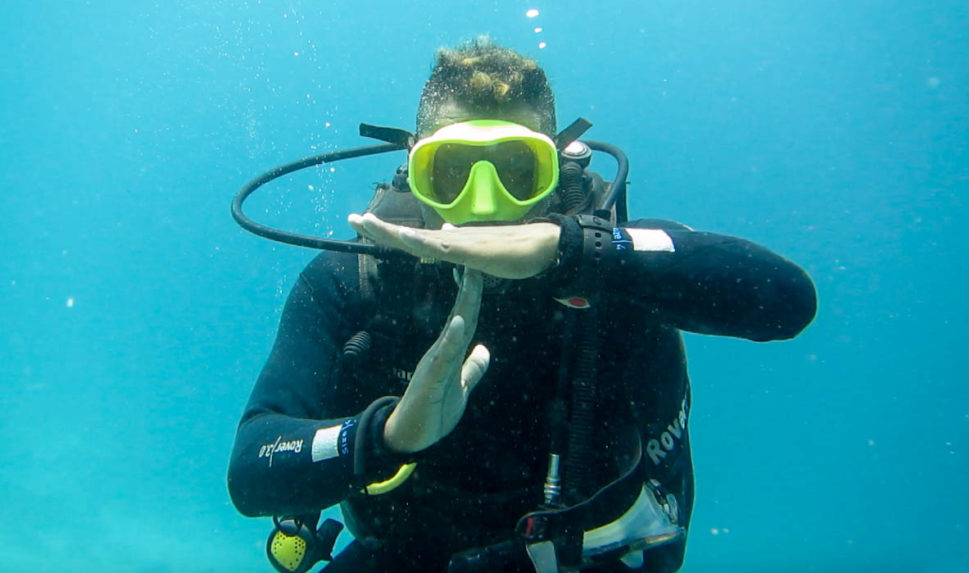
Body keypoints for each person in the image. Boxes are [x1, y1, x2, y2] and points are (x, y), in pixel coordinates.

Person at [228, 38, 817, 573]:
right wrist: (389, 435)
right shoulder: (353, 279)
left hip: (581, 559)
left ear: (556, 168)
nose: (485, 205)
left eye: (517, 171)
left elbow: (786, 300)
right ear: (414, 166)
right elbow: (252, 469)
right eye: (451, 171)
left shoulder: (612, 265)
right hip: (406, 556)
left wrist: (572, 251)